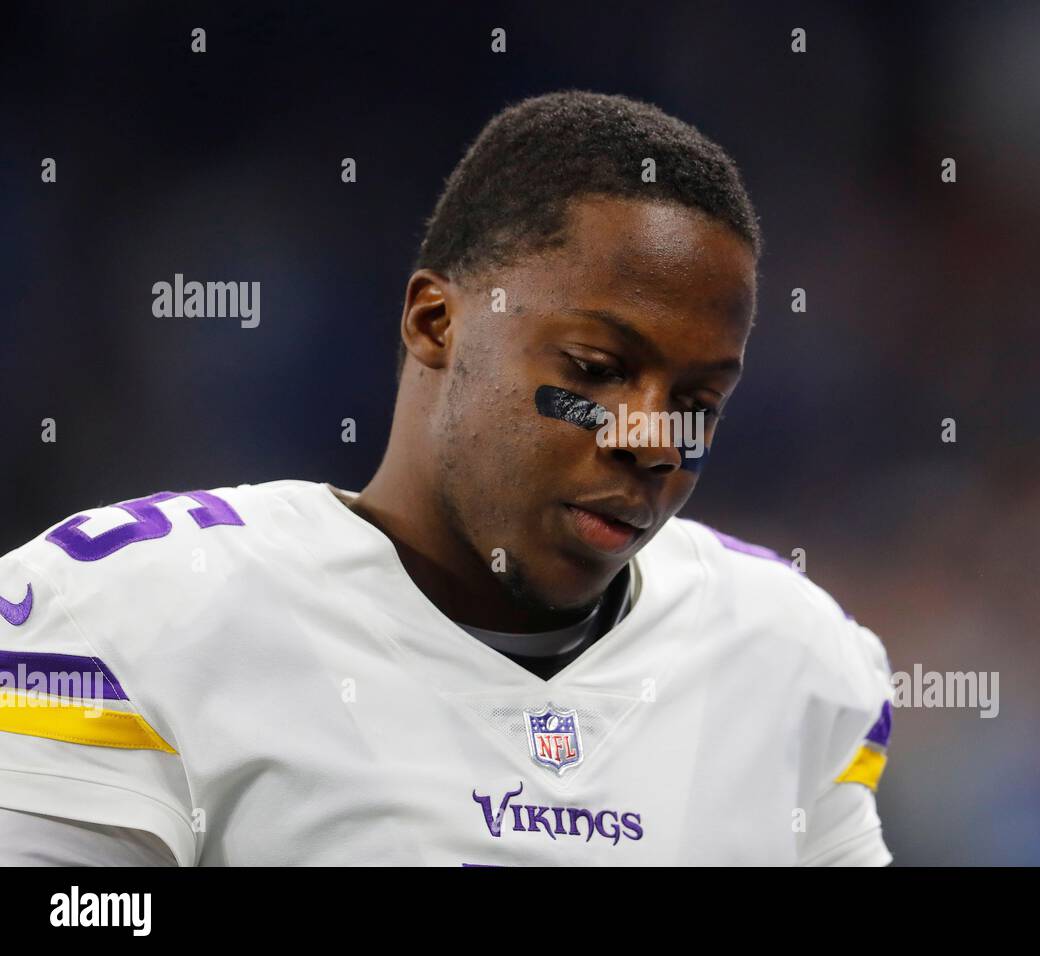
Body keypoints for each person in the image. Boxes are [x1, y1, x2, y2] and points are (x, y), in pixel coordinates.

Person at [0, 90, 894, 865]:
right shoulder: (135, 616)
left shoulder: (788, 659)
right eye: (595, 367)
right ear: (436, 323)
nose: (652, 440)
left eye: (698, 398)